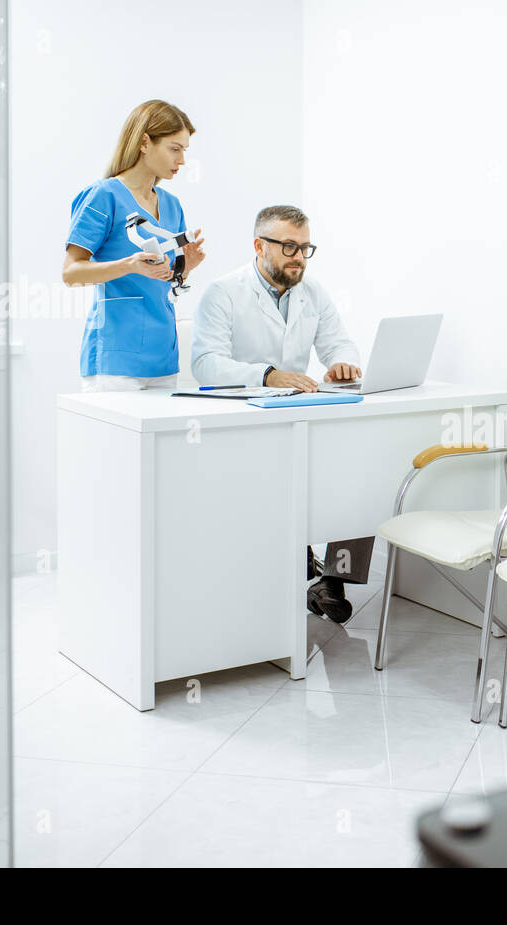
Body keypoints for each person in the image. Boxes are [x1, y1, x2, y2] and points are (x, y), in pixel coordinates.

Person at [191, 204, 371, 623]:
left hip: (299, 413)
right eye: (290, 246)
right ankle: (298, 562)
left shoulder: (314, 293)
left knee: (359, 473)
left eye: (305, 248)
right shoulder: (223, 292)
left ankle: (332, 577)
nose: (299, 257)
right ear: (259, 245)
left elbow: (339, 344)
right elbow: (205, 364)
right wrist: (267, 374)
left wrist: (343, 363)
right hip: (243, 423)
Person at [63, 99, 206, 391]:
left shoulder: (172, 206)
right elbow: (71, 273)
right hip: (115, 360)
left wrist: (184, 269)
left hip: (163, 357)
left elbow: (164, 281)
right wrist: (129, 265)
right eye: (174, 149)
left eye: (184, 151)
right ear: (144, 142)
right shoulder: (103, 196)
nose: (181, 161)